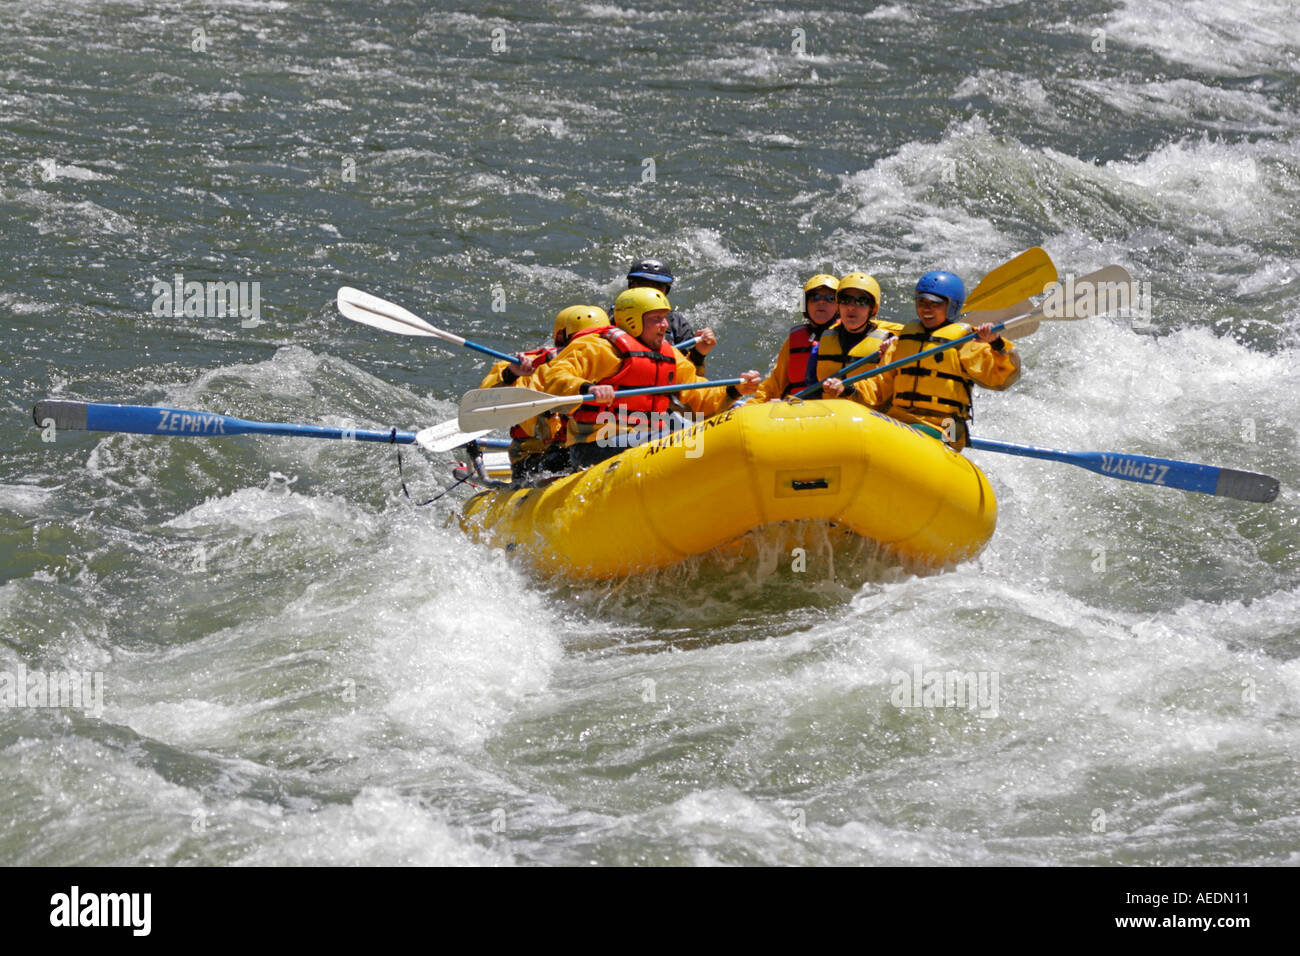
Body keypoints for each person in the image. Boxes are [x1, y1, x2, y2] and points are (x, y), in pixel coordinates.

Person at [543, 287, 760, 469]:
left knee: (697, 437)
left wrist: (736, 390)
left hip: (645, 440)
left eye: (664, 318)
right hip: (594, 446)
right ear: (633, 321)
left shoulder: (669, 355)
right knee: (685, 442)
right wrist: (587, 389)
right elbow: (556, 376)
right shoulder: (598, 347)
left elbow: (699, 394)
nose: (665, 325)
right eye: (656, 319)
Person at [867, 270, 1021, 448]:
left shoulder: (965, 342)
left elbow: (1001, 378)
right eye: (922, 302)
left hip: (949, 427)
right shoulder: (903, 341)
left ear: (952, 307)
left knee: (916, 436)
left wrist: (996, 344)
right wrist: (848, 390)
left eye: (936, 304)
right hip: (902, 421)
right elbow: (879, 387)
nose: (926, 309)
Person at [482, 306, 610, 482]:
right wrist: (512, 374)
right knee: (560, 458)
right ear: (560, 338)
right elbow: (485, 406)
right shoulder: (529, 366)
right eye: (584, 341)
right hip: (535, 457)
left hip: (582, 449)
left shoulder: (610, 364)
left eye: (600, 340)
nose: (590, 348)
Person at [751, 274, 841, 403]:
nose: (821, 302)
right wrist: (752, 406)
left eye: (830, 298)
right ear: (806, 305)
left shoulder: (848, 335)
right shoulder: (794, 340)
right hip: (799, 410)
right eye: (815, 298)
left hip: (837, 411)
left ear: (839, 306)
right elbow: (773, 385)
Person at [808, 272, 896, 404]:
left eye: (861, 301)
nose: (851, 307)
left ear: (872, 310)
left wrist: (848, 389)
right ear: (838, 306)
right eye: (845, 300)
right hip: (830, 414)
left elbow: (881, 391)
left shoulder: (887, 342)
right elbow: (810, 388)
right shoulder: (824, 341)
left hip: (868, 416)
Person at [620, 257, 715, 373]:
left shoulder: (676, 323)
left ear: (666, 291)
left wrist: (698, 354)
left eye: (657, 286)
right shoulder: (614, 317)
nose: (650, 291)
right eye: (643, 284)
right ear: (631, 286)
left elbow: (691, 378)